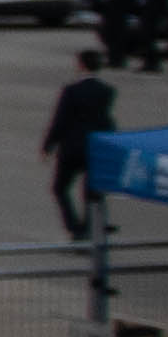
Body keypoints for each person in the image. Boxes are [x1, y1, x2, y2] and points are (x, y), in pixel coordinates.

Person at [40, 44, 119, 239]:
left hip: (72, 146)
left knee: (60, 188)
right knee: (93, 191)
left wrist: (48, 145)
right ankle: (92, 225)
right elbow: (106, 120)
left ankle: (75, 227)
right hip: (96, 146)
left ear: (81, 65)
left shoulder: (71, 91)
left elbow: (60, 120)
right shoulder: (107, 91)